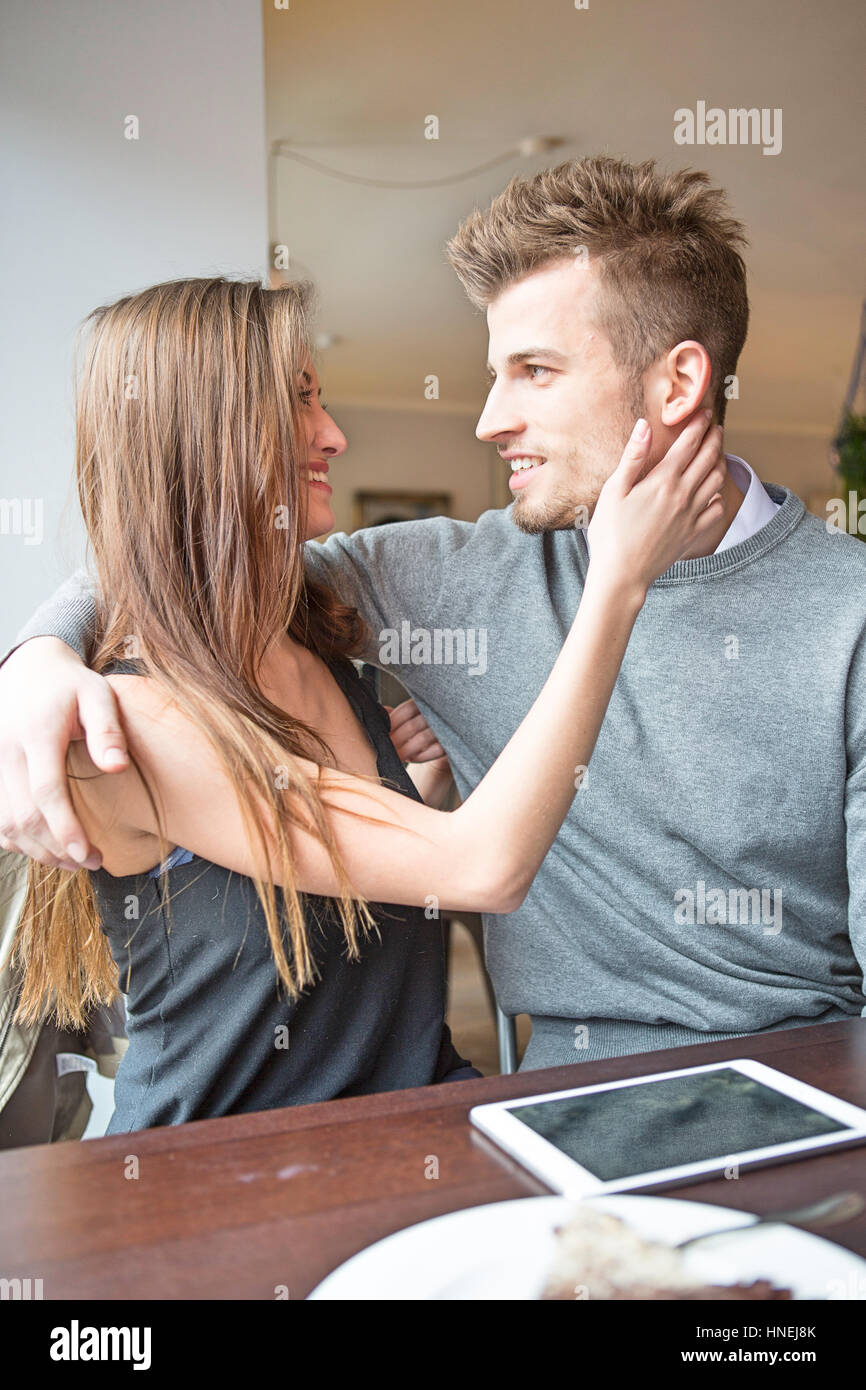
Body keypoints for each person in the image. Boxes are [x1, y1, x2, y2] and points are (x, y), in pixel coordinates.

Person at [4, 157, 863, 1074]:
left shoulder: (846, 614)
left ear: (680, 381)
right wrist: (37, 657)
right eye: (494, 373)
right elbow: (196, 560)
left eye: (535, 371)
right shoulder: (452, 579)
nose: (490, 420)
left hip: (811, 1082)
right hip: (566, 1089)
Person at [0, 273, 723, 1131]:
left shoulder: (322, 636)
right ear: (208, 437)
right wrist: (619, 584)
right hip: (222, 1185)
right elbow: (483, 869)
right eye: (300, 403)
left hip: (409, 1130)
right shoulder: (141, 723)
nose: (334, 435)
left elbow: (366, 914)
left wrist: (416, 794)